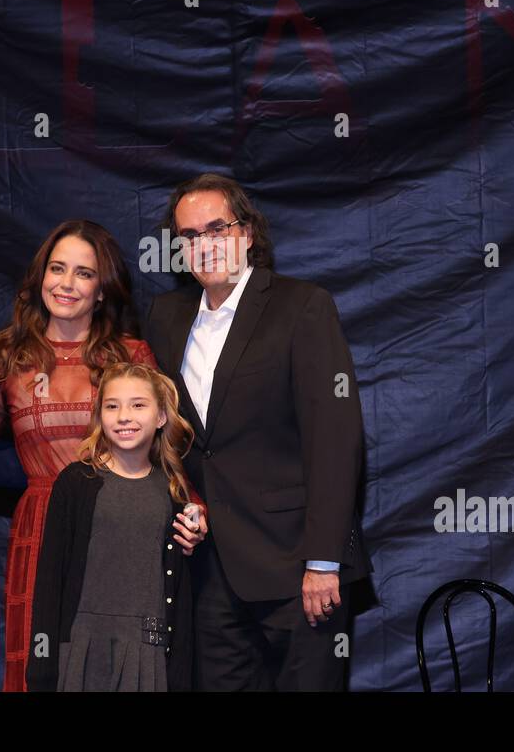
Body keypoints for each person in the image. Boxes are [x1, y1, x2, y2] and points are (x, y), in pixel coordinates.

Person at [145, 173, 371, 690]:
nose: (205, 246)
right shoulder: (165, 316)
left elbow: (335, 441)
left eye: (217, 229)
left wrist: (323, 562)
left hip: (298, 566)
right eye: (189, 236)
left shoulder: (301, 306)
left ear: (247, 233)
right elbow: (174, 440)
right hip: (209, 569)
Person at [0, 220, 205, 691]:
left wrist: (193, 508)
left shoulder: (130, 353)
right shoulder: (8, 357)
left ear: (101, 290)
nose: (67, 283)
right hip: (40, 530)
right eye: (57, 269)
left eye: (84, 273)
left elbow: (169, 447)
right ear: (41, 278)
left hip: (124, 531)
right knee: (42, 670)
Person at [28, 363, 201, 691]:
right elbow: (50, 580)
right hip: (81, 649)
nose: (124, 416)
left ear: (161, 416)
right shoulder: (76, 483)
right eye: (112, 406)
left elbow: (181, 593)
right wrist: (42, 667)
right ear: (100, 416)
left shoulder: (173, 492)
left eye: (138, 405)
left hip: (148, 654)